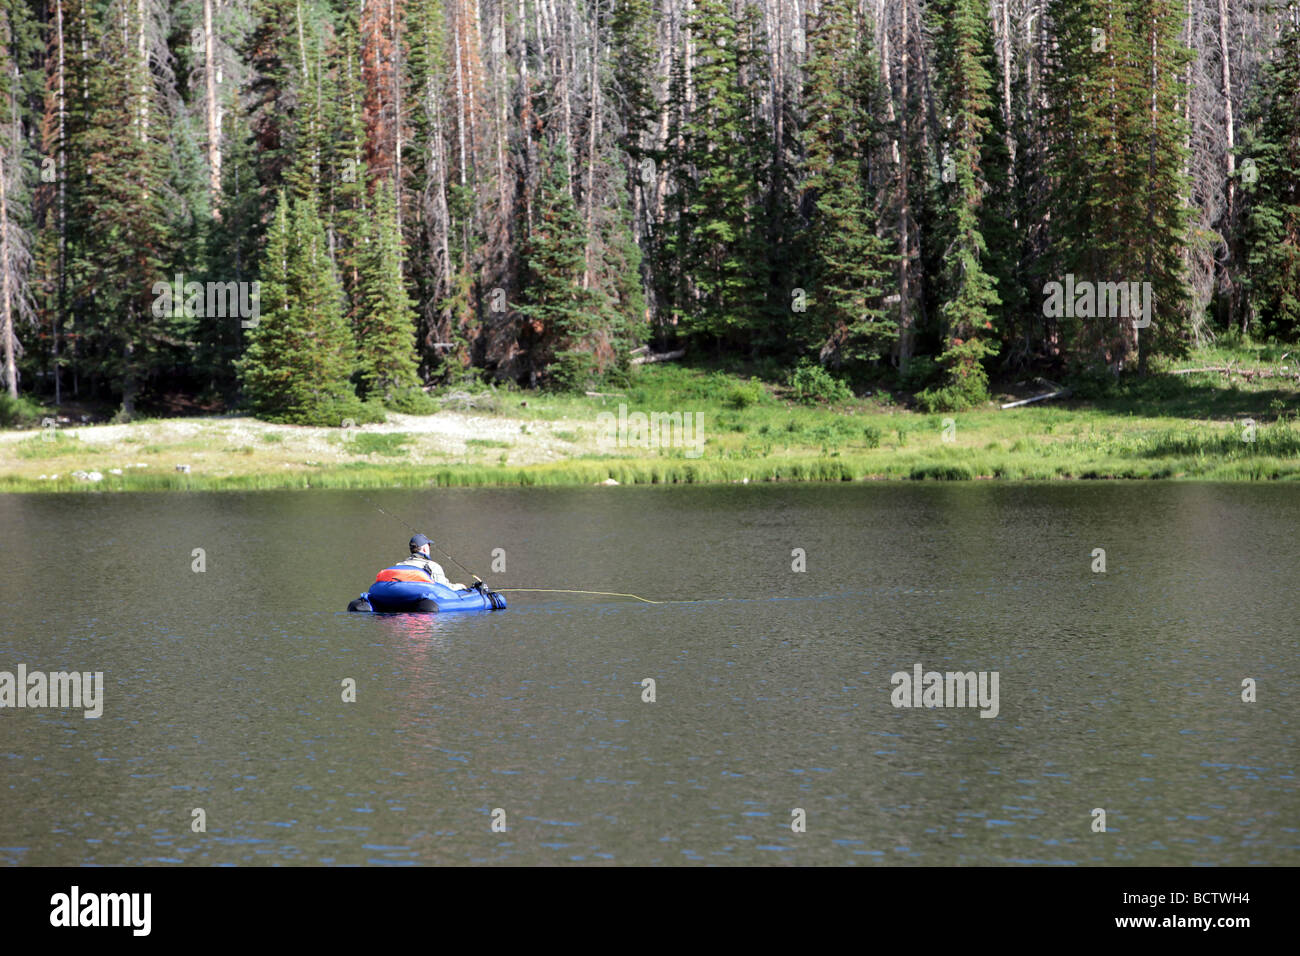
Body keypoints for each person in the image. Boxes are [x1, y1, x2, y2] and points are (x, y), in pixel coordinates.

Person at [393, 534, 466, 590]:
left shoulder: (399, 565)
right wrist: (461, 586)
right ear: (425, 549)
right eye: (429, 545)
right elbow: (444, 588)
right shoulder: (432, 566)